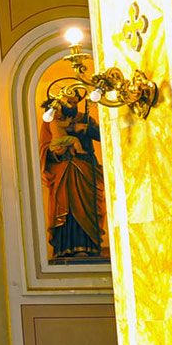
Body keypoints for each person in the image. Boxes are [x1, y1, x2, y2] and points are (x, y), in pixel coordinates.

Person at [41, 97, 107, 260]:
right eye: (68, 101)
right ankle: (66, 247)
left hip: (86, 169)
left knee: (87, 206)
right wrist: (56, 153)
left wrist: (86, 129)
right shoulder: (51, 119)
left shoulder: (85, 118)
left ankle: (88, 245)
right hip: (64, 170)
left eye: (75, 101)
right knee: (65, 205)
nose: (71, 104)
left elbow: (104, 135)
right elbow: (44, 148)